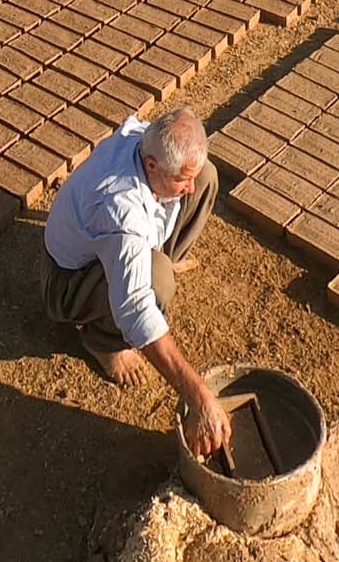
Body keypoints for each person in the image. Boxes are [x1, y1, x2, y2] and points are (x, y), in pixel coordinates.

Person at [42, 108, 232, 457]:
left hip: (111, 241)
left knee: (207, 176)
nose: (187, 188)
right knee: (156, 281)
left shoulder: (148, 141)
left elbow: (191, 178)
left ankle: (159, 256)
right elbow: (134, 311)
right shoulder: (121, 209)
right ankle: (103, 343)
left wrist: (185, 183)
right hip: (65, 283)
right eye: (179, 180)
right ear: (151, 167)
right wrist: (198, 395)